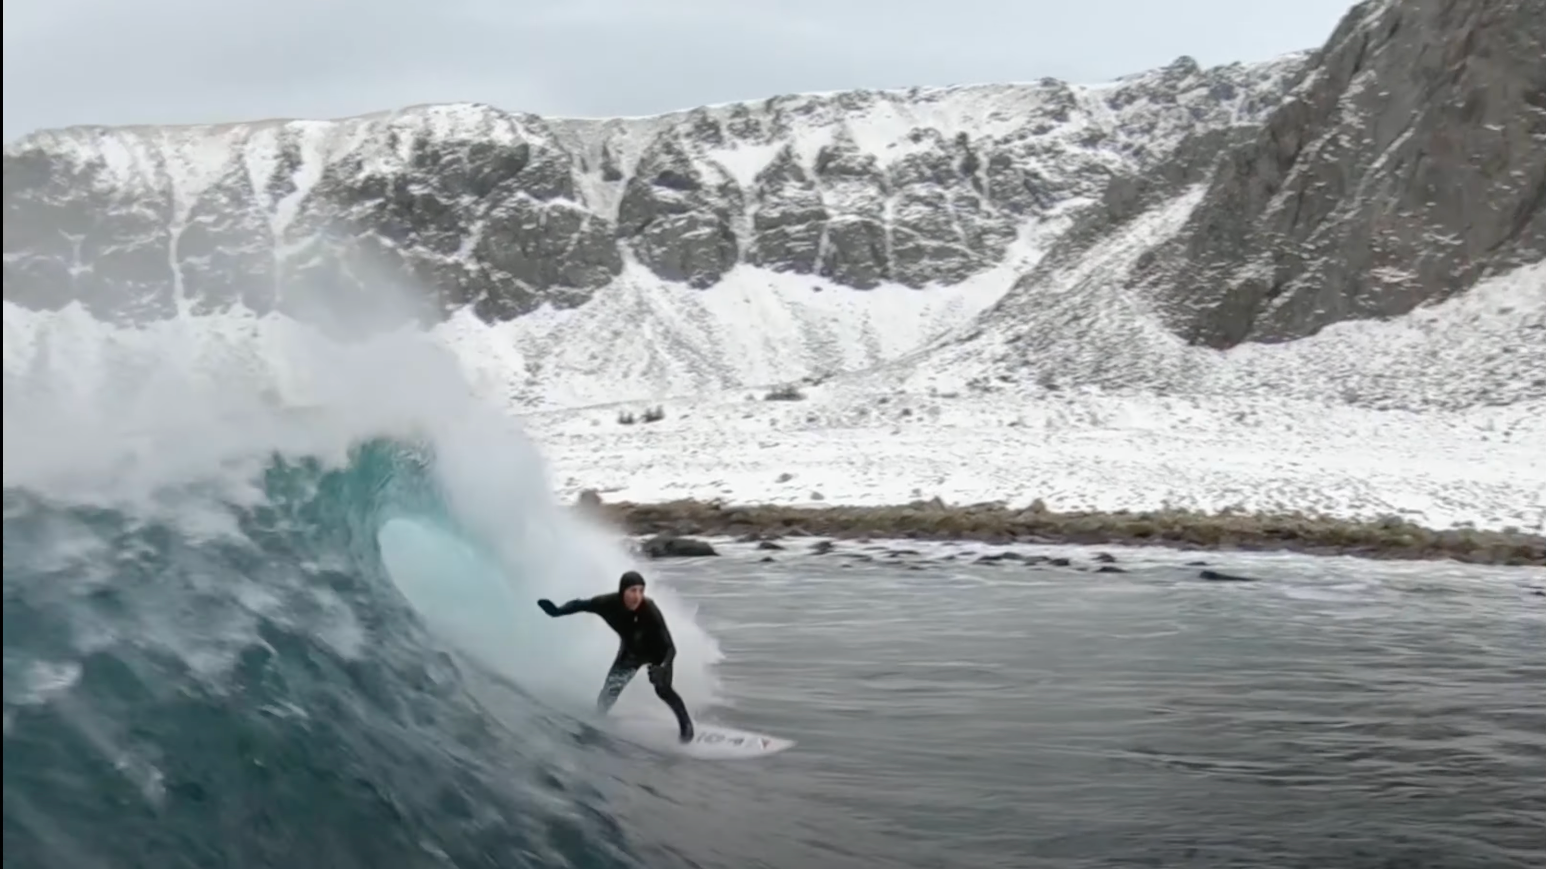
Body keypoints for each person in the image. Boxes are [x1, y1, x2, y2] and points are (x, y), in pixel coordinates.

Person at [537, 570, 695, 743]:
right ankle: (596, 725)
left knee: (663, 689)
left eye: (641, 591)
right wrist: (558, 611)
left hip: (658, 654)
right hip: (631, 653)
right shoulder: (606, 603)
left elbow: (671, 648)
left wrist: (663, 667)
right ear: (622, 591)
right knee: (609, 692)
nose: (637, 596)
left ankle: (686, 728)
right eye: (633, 590)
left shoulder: (649, 609)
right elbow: (580, 604)